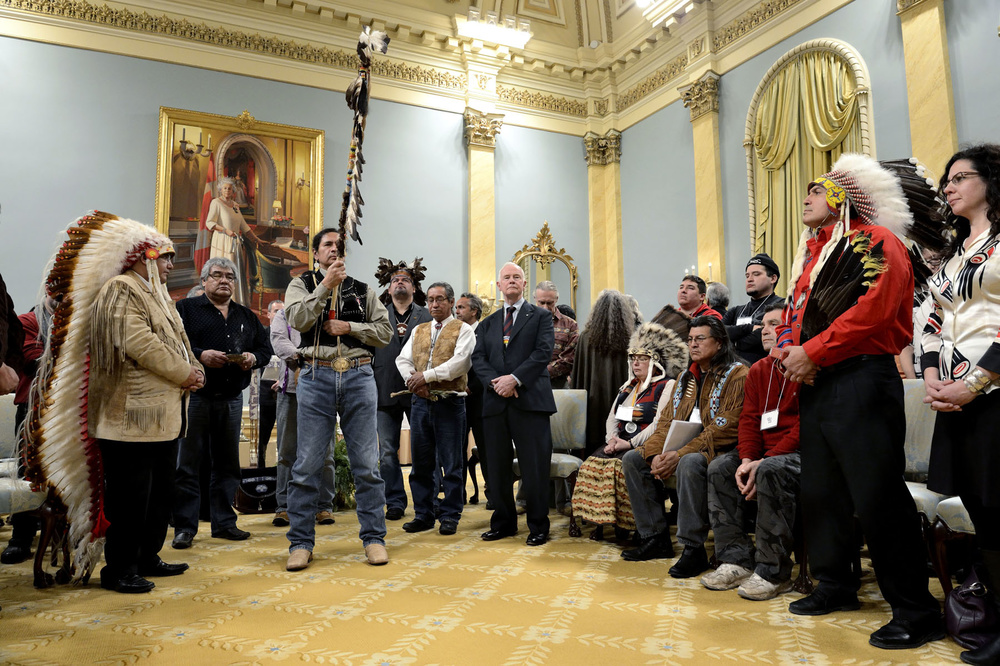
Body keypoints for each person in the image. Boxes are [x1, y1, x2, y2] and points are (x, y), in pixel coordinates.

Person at [775, 153, 942, 649]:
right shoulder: (812, 255)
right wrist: (789, 352)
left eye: (817, 189)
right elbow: (794, 314)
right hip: (817, 381)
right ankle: (835, 585)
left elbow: (877, 310)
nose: (806, 196)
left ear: (844, 196)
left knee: (877, 495)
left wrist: (812, 351)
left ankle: (915, 608)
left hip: (863, 379)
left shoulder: (879, 241)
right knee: (821, 491)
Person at [87, 226, 204, 592]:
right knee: (130, 499)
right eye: (165, 257)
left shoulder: (155, 292)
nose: (170, 264)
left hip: (163, 417)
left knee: (159, 495)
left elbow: (179, 341)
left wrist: (194, 367)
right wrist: (185, 373)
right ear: (142, 257)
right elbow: (139, 343)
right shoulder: (121, 288)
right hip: (130, 419)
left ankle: (146, 557)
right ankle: (119, 569)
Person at [921, 144, 1000, 665]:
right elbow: (931, 321)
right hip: (953, 399)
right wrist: (932, 378)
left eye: (960, 177)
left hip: (993, 394)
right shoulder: (952, 257)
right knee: (981, 513)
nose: (949, 187)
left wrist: (974, 382)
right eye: (946, 180)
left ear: (990, 182)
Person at [283, 228, 392, 571]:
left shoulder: (362, 290)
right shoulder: (301, 284)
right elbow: (297, 319)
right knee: (307, 465)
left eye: (338, 245)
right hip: (316, 376)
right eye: (327, 245)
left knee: (367, 465)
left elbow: (385, 332)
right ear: (315, 253)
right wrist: (325, 286)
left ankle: (374, 539)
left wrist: (351, 328)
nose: (334, 249)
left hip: (359, 376)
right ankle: (301, 543)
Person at [621, 317, 747, 572]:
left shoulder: (738, 374)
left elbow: (725, 427)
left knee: (690, 462)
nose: (693, 345)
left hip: (721, 449)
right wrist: (654, 454)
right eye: (690, 340)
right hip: (684, 446)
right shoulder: (685, 378)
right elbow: (666, 422)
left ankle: (693, 548)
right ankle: (655, 537)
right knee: (633, 458)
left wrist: (678, 454)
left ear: (719, 343)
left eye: (700, 339)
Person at [701, 304, 800, 600]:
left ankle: (773, 572)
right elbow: (749, 421)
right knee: (721, 467)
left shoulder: (805, 368)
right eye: (764, 324)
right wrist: (746, 460)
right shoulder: (759, 369)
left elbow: (806, 427)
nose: (765, 331)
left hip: (799, 454)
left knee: (770, 470)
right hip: (763, 455)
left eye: (774, 324)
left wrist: (763, 461)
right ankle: (736, 560)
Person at [172, 257, 272, 549]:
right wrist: (200, 355)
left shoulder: (246, 315)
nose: (224, 280)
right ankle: (185, 528)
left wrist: (253, 358)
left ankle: (224, 523)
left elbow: (264, 349)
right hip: (195, 397)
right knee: (187, 465)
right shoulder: (186, 309)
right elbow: (172, 345)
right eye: (217, 275)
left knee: (227, 465)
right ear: (204, 281)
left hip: (231, 399)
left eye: (230, 276)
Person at [570, 322, 687, 541]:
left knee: (617, 467)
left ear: (655, 362)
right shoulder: (628, 386)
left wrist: (630, 444)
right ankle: (602, 522)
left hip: (647, 443)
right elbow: (612, 417)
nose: (636, 363)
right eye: (633, 358)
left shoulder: (667, 385)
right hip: (620, 441)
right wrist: (612, 440)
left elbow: (659, 424)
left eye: (642, 358)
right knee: (591, 465)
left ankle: (633, 525)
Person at [472, 262, 556, 546]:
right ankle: (503, 523)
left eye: (516, 277)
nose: (511, 281)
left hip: (530, 401)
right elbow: (478, 358)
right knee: (497, 467)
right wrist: (497, 383)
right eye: (506, 277)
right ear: (499, 285)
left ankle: (538, 526)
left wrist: (515, 380)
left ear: (524, 284)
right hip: (495, 402)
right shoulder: (488, 323)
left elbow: (543, 352)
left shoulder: (540, 317)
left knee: (534, 468)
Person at [396, 282, 475, 535]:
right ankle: (424, 514)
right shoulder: (419, 329)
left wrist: (426, 377)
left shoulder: (463, 330)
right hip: (420, 402)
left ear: (451, 302)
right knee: (421, 464)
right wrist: (413, 381)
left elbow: (460, 363)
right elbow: (403, 359)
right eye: (430, 299)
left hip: (450, 403)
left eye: (440, 299)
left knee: (451, 464)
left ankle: (450, 515)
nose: (434, 304)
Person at [269, 301, 338, 528]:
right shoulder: (284, 315)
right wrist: (307, 359)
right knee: (287, 452)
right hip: (291, 391)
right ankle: (284, 507)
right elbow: (279, 342)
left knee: (326, 453)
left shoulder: (327, 312)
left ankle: (324, 506)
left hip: (323, 391)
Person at [372, 258, 431, 521]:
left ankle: (425, 501)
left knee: (423, 449)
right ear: (388, 288)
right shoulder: (377, 314)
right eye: (395, 280)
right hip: (383, 390)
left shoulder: (426, 315)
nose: (400, 283)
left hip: (418, 391)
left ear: (414, 288)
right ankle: (394, 501)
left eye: (405, 280)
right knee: (387, 452)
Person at [1, 295, 55, 564]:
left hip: (70, 409)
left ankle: (64, 535)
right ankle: (21, 539)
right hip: (32, 407)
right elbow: (35, 363)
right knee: (28, 474)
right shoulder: (28, 321)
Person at [571, 290, 636, 457]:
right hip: (621, 398)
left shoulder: (586, 337)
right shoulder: (630, 338)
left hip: (592, 399)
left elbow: (579, 375)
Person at [205, 178, 267, 305]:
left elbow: (244, 226)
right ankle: (221, 300)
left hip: (235, 243)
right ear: (220, 190)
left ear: (233, 191)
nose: (227, 190)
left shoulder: (235, 205)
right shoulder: (216, 203)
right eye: (225, 188)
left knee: (233, 271)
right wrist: (225, 230)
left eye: (230, 188)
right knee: (224, 271)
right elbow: (209, 222)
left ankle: (235, 301)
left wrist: (256, 239)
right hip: (222, 242)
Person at [723, 254, 784, 365]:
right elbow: (717, 332)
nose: (750, 279)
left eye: (756, 274)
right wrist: (749, 328)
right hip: (732, 370)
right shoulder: (735, 310)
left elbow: (763, 336)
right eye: (747, 276)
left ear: (773, 278)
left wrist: (733, 342)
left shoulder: (781, 306)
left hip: (765, 368)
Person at [456, 292, 487, 505]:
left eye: (461, 308)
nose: (456, 311)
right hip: (457, 399)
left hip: (480, 400)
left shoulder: (485, 332)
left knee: (486, 448)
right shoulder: (454, 332)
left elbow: (488, 364)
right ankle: (458, 494)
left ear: (474, 311)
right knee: (456, 449)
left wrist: (471, 387)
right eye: (456, 308)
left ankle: (492, 493)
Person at [900, 246, 945, 379]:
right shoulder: (912, 296)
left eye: (935, 260)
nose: (930, 266)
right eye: (925, 261)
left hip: (949, 365)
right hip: (921, 367)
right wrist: (913, 381)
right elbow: (906, 345)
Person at [533, 280, 578, 389]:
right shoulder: (525, 322)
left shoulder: (570, 325)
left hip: (558, 384)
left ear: (556, 299)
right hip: (528, 382)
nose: (545, 307)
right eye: (541, 303)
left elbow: (569, 358)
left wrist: (541, 373)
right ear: (535, 299)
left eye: (549, 303)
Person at [256, 300, 283, 468]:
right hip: (265, 393)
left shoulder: (292, 336)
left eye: (284, 312)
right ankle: (261, 468)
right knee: (262, 436)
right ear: (268, 314)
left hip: (286, 391)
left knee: (287, 436)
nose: (281, 315)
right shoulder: (261, 336)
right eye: (277, 311)